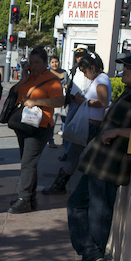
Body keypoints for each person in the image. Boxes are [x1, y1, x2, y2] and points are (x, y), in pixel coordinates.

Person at [61, 49, 131, 261]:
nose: (124, 70)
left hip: (112, 165)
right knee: (77, 205)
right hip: (99, 161)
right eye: (124, 66)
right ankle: (92, 257)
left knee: (98, 216)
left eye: (130, 67)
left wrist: (118, 131)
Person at [43, 52, 111, 195]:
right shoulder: (98, 79)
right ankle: (62, 185)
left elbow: (103, 102)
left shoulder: (101, 80)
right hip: (89, 123)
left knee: (74, 155)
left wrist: (84, 102)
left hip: (91, 125)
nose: (85, 75)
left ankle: (60, 185)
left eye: (85, 71)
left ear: (92, 68)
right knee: (76, 155)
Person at [7, 46, 64, 214]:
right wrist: (23, 79)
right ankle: (30, 197)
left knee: (27, 163)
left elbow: (60, 100)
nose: (34, 65)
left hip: (40, 126)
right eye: (31, 62)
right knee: (28, 163)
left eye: (37, 62)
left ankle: (24, 198)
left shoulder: (52, 80)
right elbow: (13, 93)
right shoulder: (29, 78)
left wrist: (37, 101)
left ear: (46, 63)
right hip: (24, 125)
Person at [59, 47, 91, 161]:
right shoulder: (74, 69)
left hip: (82, 102)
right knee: (68, 128)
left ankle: (76, 155)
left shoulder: (88, 70)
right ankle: (67, 153)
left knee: (79, 129)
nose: (79, 58)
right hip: (72, 102)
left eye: (82, 56)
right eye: (78, 56)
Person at [47, 55, 68, 149]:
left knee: (65, 122)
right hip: (52, 100)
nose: (55, 64)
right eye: (52, 62)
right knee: (52, 122)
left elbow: (68, 84)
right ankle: (51, 141)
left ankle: (65, 141)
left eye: (56, 62)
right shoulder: (48, 73)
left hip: (63, 100)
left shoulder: (65, 73)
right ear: (49, 63)